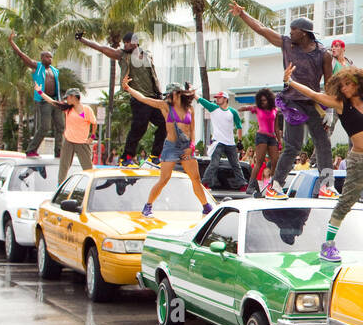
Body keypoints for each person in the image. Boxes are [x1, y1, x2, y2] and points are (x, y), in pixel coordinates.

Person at [282, 62, 363, 262]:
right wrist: (290, 81)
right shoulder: (343, 105)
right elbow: (315, 95)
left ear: (356, 84)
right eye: (341, 85)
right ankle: (328, 245)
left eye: (347, 84)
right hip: (358, 160)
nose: (344, 88)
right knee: (346, 202)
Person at [231, 5, 336, 200]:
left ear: (303, 33)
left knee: (324, 144)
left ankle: (326, 186)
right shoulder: (287, 44)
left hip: (312, 102)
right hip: (292, 102)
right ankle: (276, 186)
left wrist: (329, 111)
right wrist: (243, 14)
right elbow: (262, 29)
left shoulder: (324, 54)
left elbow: (329, 84)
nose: (289, 33)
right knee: (293, 146)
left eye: (292, 30)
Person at [121, 77, 213, 217]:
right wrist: (128, 88)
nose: (168, 96)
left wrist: (192, 146)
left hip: (186, 147)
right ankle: (148, 206)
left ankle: (206, 207)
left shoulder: (189, 108)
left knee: (195, 179)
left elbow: (192, 129)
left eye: (170, 94)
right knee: (164, 179)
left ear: (178, 93)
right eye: (167, 94)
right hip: (171, 146)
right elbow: (144, 99)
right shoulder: (164, 106)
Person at [77, 31, 165, 163]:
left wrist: (159, 94)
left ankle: (155, 156)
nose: (125, 45)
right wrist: (83, 40)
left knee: (165, 123)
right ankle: (126, 157)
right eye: (124, 43)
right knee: (139, 128)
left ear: (135, 43)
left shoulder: (147, 55)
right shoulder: (123, 55)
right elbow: (101, 48)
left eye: (128, 42)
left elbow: (153, 76)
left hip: (153, 98)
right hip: (139, 98)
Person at [9, 33, 63, 157]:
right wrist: (11, 41)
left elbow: (57, 85)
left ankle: (58, 152)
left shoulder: (55, 71)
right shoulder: (37, 66)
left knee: (61, 126)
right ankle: (31, 150)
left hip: (55, 100)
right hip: (44, 101)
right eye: (47, 57)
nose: (49, 59)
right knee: (45, 126)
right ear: (42, 58)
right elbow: (22, 55)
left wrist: (60, 101)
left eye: (50, 57)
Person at [35, 87, 95, 183]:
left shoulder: (86, 110)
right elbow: (52, 102)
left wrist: (92, 137)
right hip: (68, 141)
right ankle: (60, 186)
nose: (66, 100)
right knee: (64, 167)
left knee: (88, 168)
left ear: (73, 97)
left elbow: (94, 123)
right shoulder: (68, 108)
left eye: (68, 97)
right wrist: (40, 91)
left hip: (82, 143)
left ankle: (91, 187)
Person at [197, 91, 247, 192]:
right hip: (218, 142)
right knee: (214, 164)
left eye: (219, 98)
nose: (217, 99)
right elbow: (201, 100)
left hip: (230, 142)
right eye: (217, 98)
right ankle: (205, 182)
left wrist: (240, 141)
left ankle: (243, 184)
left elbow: (239, 126)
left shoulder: (232, 112)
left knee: (236, 165)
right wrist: (192, 92)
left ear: (225, 99)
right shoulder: (214, 108)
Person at [249, 88, 280, 192]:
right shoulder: (258, 109)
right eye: (261, 100)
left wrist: (279, 141)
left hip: (272, 137)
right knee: (260, 161)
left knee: (275, 160)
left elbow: (276, 128)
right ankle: (251, 185)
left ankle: (273, 181)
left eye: (265, 100)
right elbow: (247, 108)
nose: (263, 102)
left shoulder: (275, 110)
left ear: (269, 100)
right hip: (261, 135)